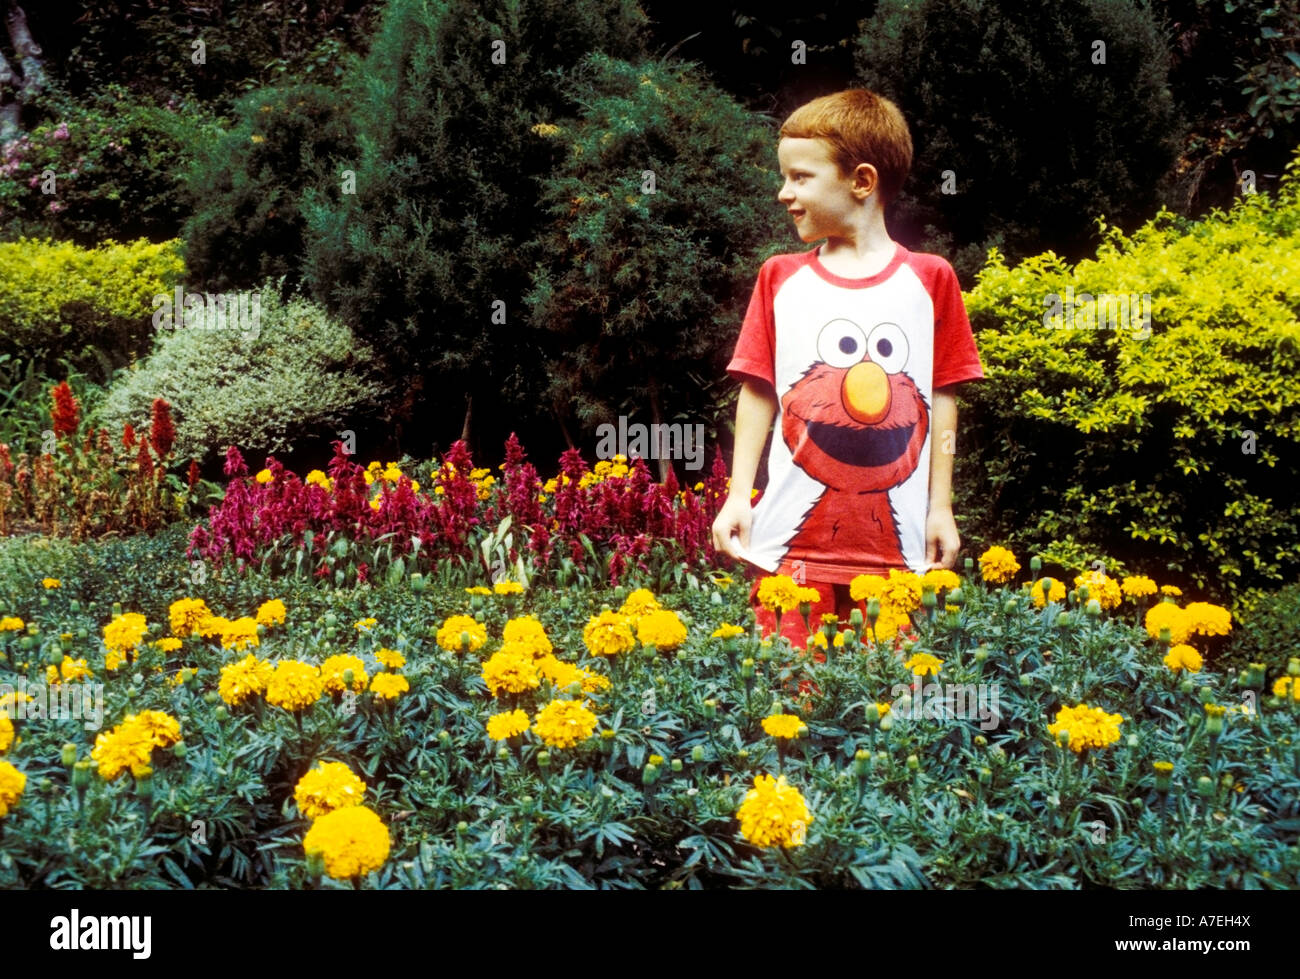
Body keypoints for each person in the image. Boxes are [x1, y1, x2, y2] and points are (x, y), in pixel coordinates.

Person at [711, 88, 985, 649]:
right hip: (788, 551)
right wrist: (740, 494)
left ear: (862, 181)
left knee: (885, 707)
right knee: (784, 698)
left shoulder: (931, 280)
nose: (784, 192)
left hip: (896, 559)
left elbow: (944, 400)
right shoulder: (780, 278)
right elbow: (758, 391)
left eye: (801, 177)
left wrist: (941, 507)